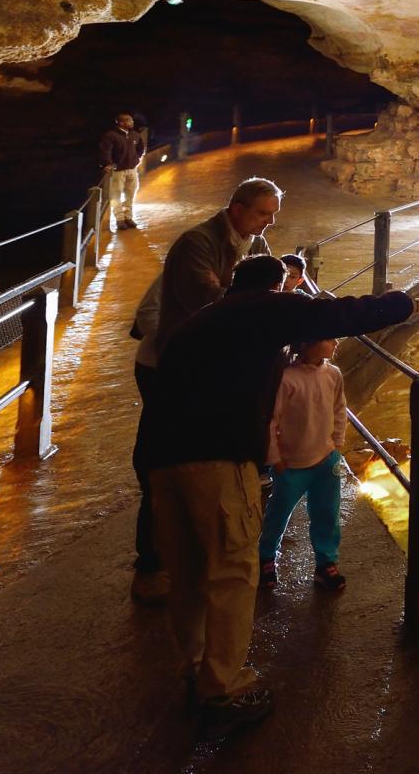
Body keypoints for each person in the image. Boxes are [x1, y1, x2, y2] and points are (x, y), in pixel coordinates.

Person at [142, 253, 419, 739]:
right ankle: (223, 688)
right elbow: (342, 315)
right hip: (214, 458)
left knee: (188, 570)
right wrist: (414, 304)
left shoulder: (204, 320)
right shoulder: (265, 309)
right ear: (278, 289)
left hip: (163, 459)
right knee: (232, 570)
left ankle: (195, 667)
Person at [128, 178, 282, 605]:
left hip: (207, 366)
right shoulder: (196, 244)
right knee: (164, 456)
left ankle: (190, 551)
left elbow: (248, 297)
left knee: (197, 457)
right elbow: (214, 299)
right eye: (262, 214)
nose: (268, 223)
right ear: (237, 208)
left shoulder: (253, 245)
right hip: (169, 367)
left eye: (272, 216)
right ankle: (151, 566)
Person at [257, 332, 347, 594]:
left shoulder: (333, 374)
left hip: (325, 458)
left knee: (327, 513)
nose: (336, 343)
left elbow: (339, 408)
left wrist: (337, 443)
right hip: (292, 463)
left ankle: (326, 562)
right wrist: (275, 457)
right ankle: (266, 555)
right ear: (308, 344)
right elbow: (272, 420)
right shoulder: (287, 378)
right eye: (329, 338)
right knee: (279, 513)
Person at [99, 111, 147, 231]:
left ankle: (128, 217)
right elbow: (106, 151)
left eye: (131, 120)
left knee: (130, 194)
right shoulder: (111, 135)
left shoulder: (135, 135)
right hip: (118, 171)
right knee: (116, 195)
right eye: (129, 120)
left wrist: (137, 160)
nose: (132, 122)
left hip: (132, 170)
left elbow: (141, 148)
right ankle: (119, 220)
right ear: (120, 122)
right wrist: (109, 164)